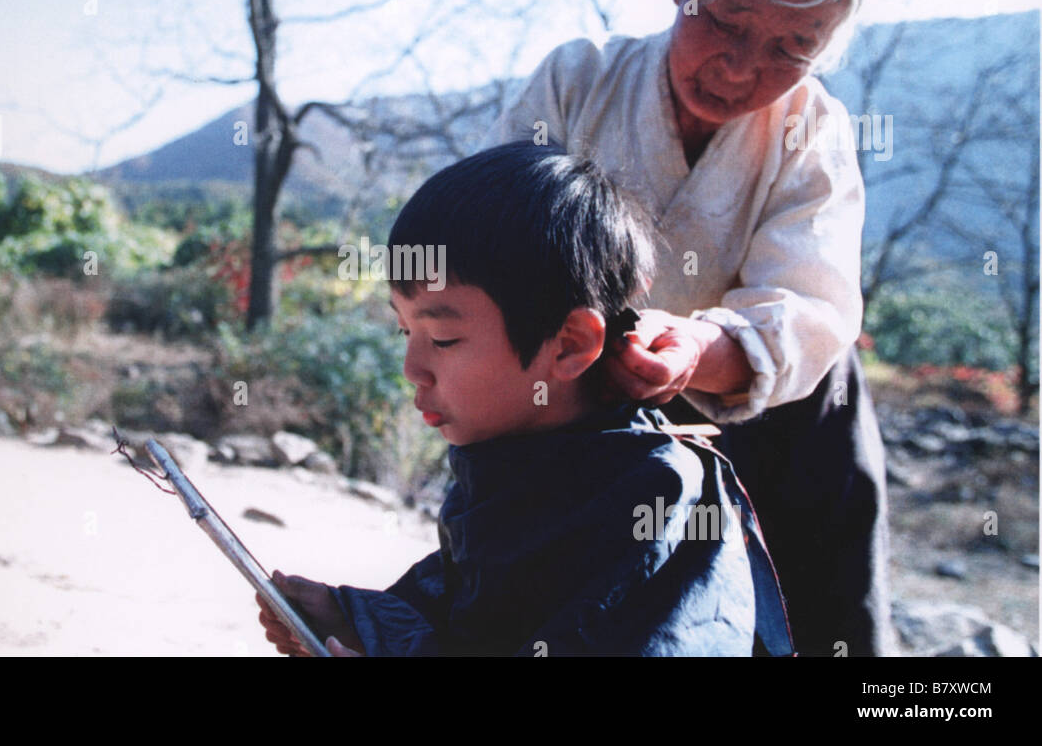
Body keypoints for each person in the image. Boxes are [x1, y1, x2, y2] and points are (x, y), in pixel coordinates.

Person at [479, 0, 892, 656]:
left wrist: (702, 349)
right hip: (573, 382)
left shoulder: (813, 129)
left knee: (827, 386)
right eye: (728, 23)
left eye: (789, 50)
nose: (740, 70)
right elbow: (492, 239)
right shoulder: (579, 82)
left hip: (759, 409)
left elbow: (809, 304)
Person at [257, 141, 794, 657]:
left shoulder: (659, 498)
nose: (412, 370)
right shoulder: (500, 462)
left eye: (443, 340)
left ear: (570, 344)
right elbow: (469, 621)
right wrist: (357, 623)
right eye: (405, 333)